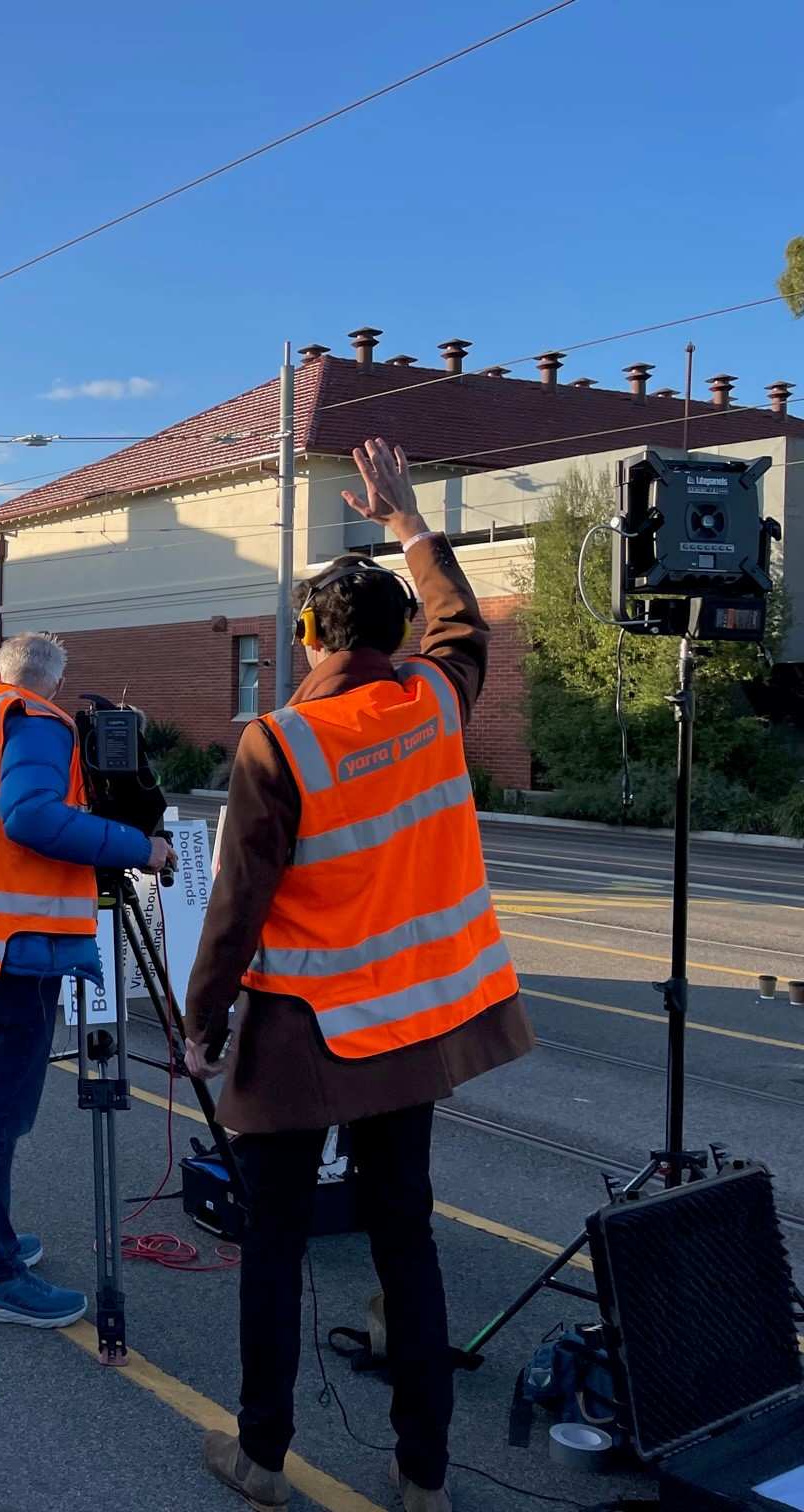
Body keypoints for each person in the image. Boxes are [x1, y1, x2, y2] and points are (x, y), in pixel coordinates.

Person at [184, 439, 534, 1512]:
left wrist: (202, 1020)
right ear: (397, 638)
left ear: (307, 638)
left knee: (274, 1242)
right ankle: (423, 1476)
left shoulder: (279, 743)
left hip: (303, 1031)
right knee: (404, 1238)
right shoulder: (434, 702)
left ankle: (262, 1456)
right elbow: (463, 624)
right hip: (411, 1031)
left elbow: (238, 903)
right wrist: (408, 524)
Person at [0, 631, 174, 1328]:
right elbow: (30, 818)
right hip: (16, 948)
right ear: (53, 683)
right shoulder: (35, 720)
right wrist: (137, 846)